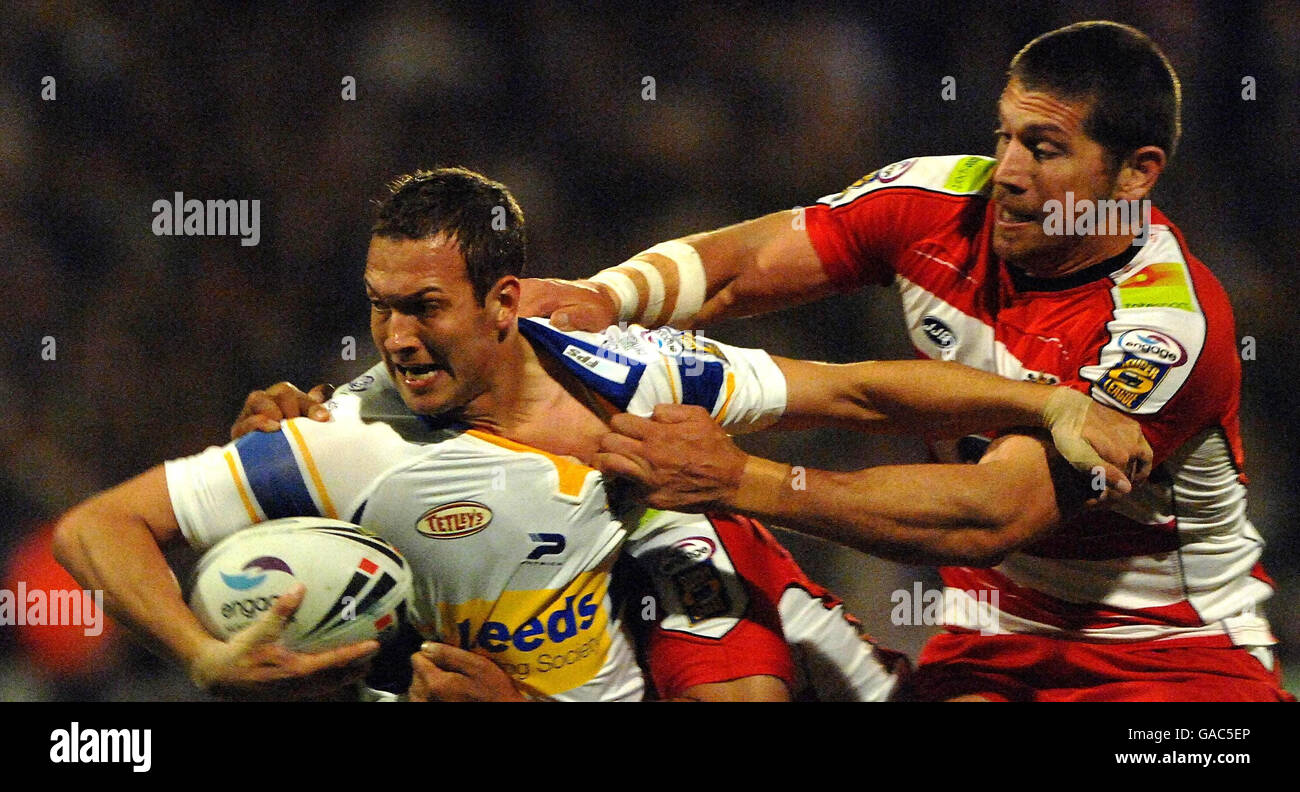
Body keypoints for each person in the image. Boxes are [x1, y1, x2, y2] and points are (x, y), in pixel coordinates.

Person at [53, 167, 1143, 702]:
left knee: (698, 528)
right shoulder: (341, 438)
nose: (393, 339)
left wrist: (1043, 403)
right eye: (378, 306)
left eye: (422, 308)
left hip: (686, 630)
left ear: (504, 302)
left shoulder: (627, 384)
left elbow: (855, 391)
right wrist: (203, 656)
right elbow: (99, 530)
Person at [519, 21, 1292, 701]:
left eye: (1045, 148)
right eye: (1005, 135)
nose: (1009, 171)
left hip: (1174, 665)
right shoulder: (938, 202)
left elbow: (993, 512)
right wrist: (608, 295)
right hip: (991, 647)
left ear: (1137, 173)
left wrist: (742, 478)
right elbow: (744, 264)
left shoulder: (1162, 331)